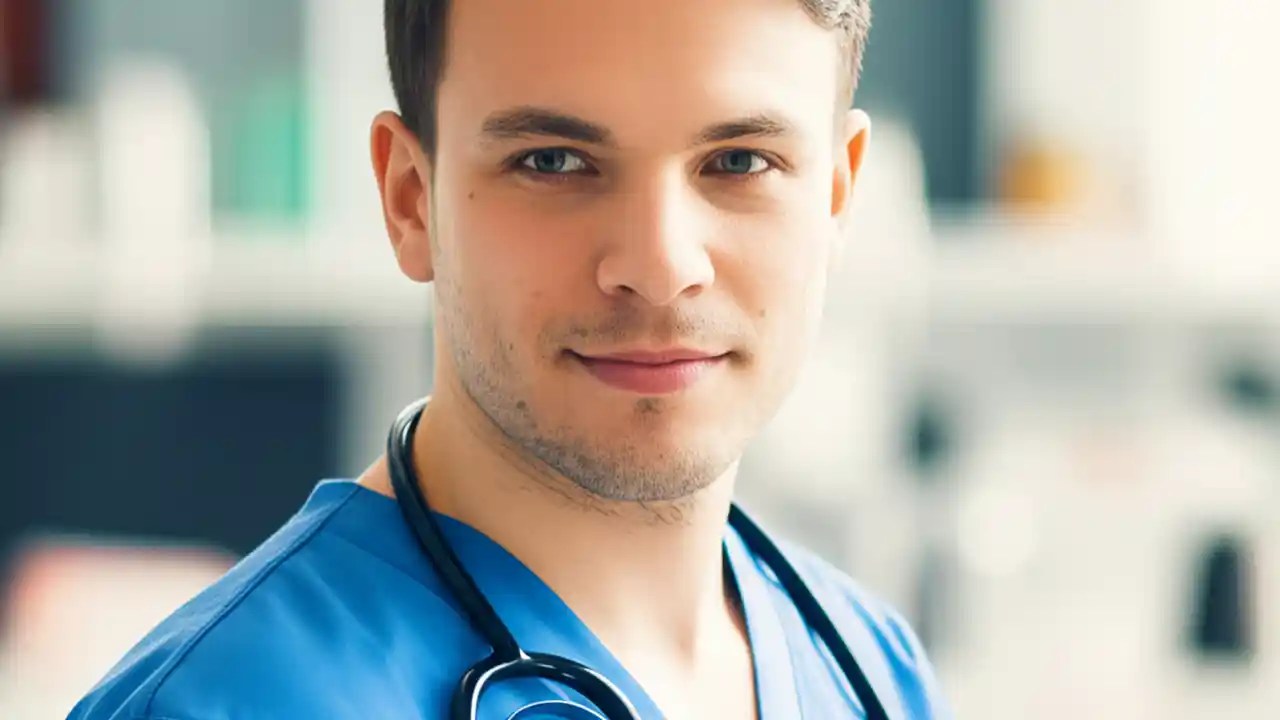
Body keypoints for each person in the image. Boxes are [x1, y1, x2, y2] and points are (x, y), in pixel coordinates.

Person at [70, 0, 951, 717]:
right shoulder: (228, 703)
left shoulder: (870, 669)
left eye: (740, 161)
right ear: (411, 201)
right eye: (556, 161)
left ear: (836, 197)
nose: (657, 267)